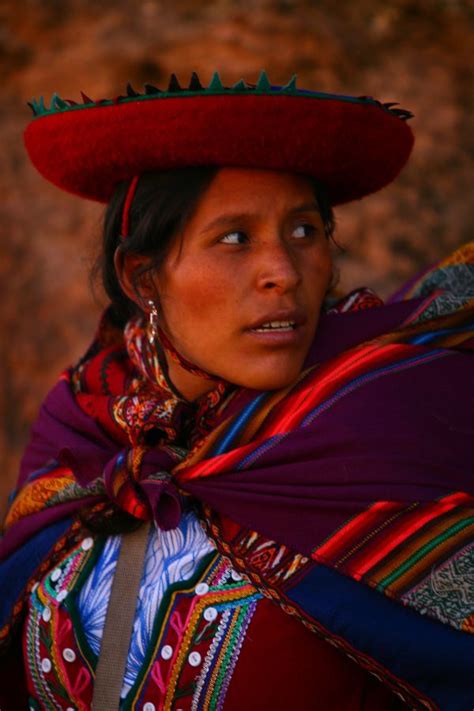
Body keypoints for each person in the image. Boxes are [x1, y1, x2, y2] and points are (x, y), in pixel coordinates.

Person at [0, 71, 473, 710]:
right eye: (234, 238)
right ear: (142, 276)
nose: (283, 271)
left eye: (304, 231)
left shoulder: (396, 418)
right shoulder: (84, 427)